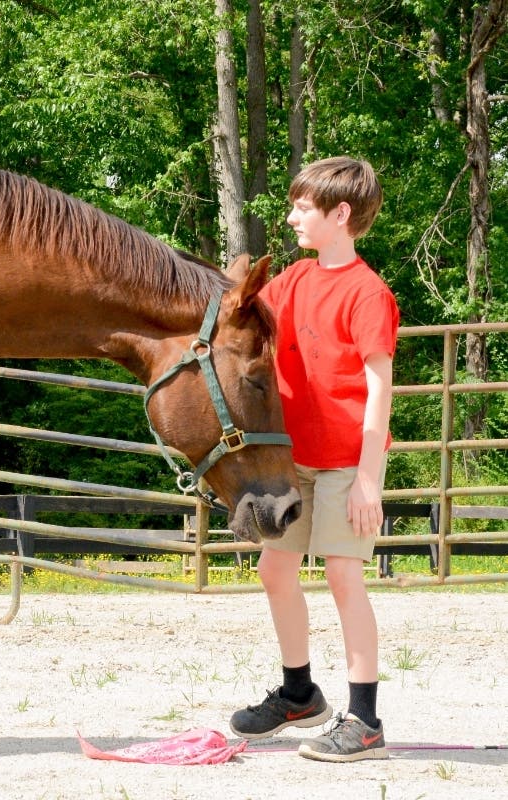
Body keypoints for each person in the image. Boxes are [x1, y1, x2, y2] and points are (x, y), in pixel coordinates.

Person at [229, 156, 399, 763]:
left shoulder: (368, 293)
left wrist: (368, 484)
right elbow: (239, 306)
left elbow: (380, 389)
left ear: (341, 214)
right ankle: (300, 695)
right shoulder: (294, 280)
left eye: (304, 206)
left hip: (346, 463)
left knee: (343, 577)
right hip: (292, 461)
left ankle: (366, 720)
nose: (293, 214)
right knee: (275, 572)